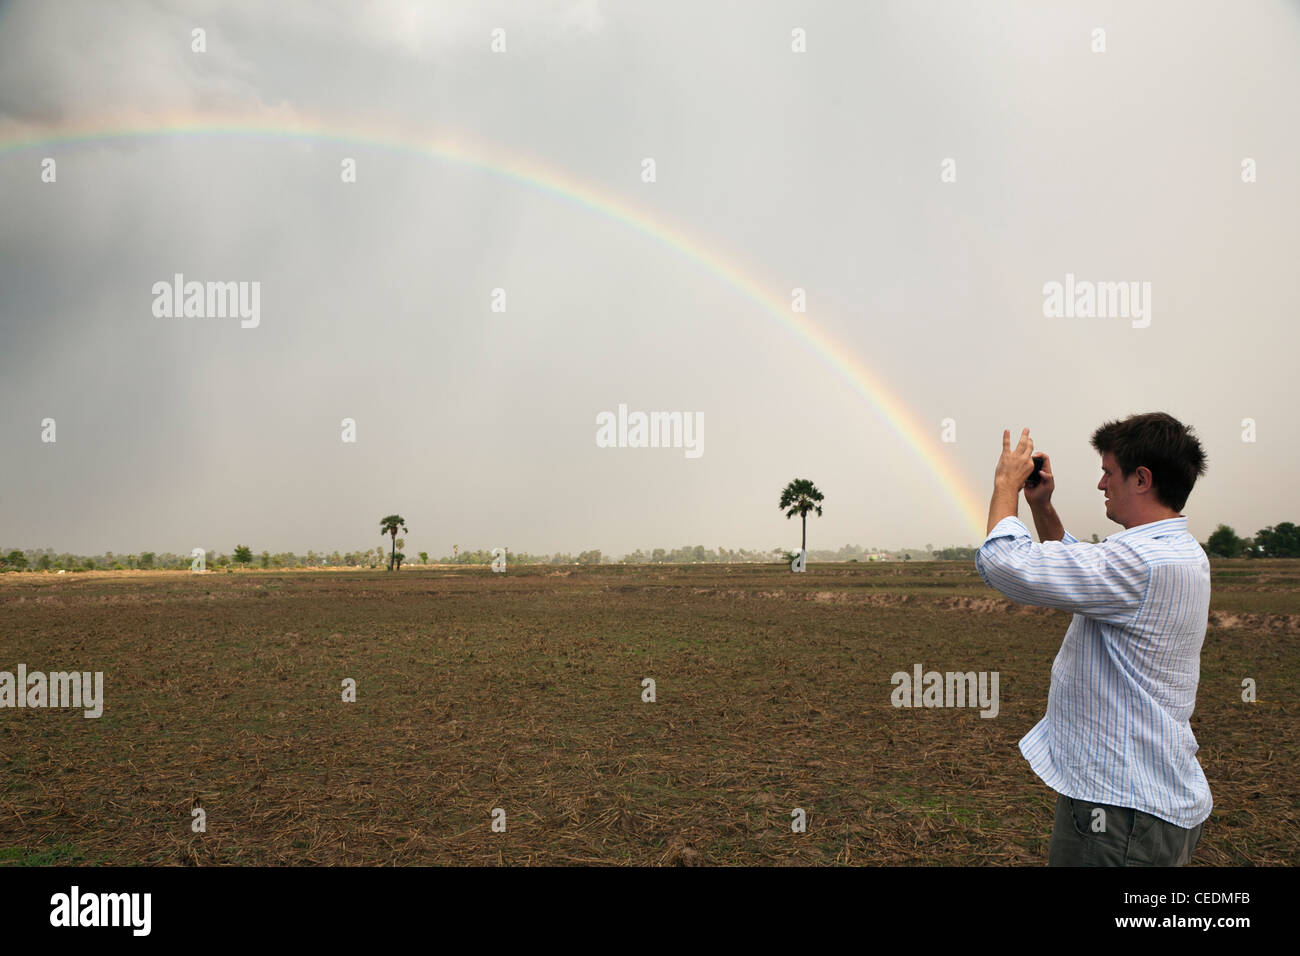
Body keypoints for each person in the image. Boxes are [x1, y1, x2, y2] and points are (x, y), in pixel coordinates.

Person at [975, 412, 1211, 866]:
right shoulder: (1178, 552)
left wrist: (1004, 485)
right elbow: (1087, 568)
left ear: (1141, 479)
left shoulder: (1141, 561)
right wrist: (1042, 507)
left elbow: (1004, 564)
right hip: (1146, 804)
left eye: (1108, 472)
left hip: (1119, 814)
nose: (1102, 485)